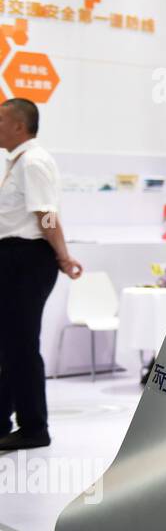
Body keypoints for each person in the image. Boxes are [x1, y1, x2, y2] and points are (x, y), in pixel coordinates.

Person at [0, 98, 83, 452]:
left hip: (27, 258)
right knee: (10, 345)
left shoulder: (32, 162)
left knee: (21, 345)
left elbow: (46, 215)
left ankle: (34, 427)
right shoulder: (18, 162)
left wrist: (63, 255)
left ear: (20, 126)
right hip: (14, 256)